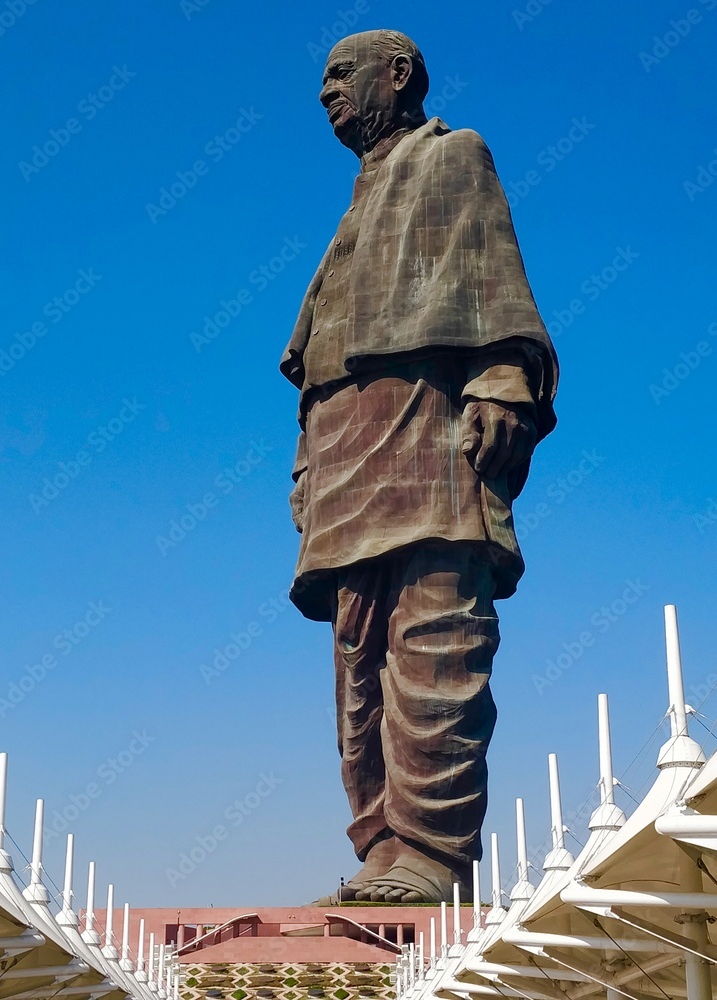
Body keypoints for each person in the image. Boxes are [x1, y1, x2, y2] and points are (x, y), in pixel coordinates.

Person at [280, 29, 558, 903]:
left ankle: (434, 852)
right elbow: (315, 351)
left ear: (395, 75)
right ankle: (381, 846)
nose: (324, 92)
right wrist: (304, 464)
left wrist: (503, 381)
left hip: (425, 427)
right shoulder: (353, 206)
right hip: (344, 446)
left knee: (436, 636)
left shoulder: (454, 158)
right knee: (357, 661)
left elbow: (496, 282)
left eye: (338, 75)